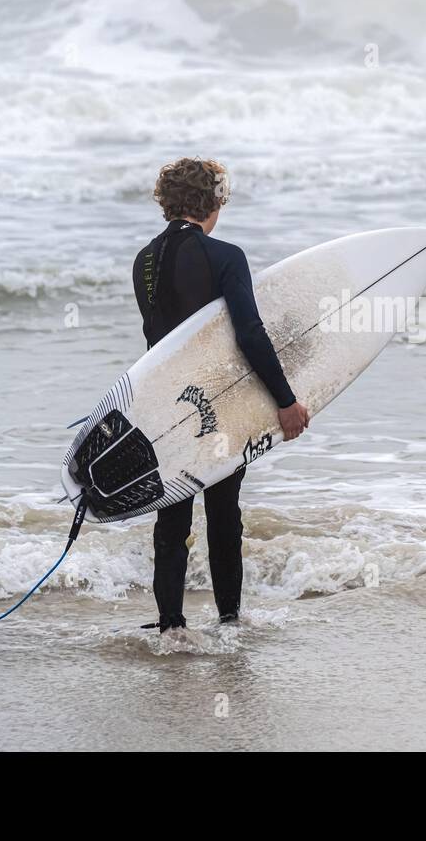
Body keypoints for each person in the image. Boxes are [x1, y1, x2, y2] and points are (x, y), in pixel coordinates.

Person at [132, 157, 309, 632]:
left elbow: (157, 344)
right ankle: (229, 619)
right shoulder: (226, 256)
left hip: (165, 404)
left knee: (172, 518)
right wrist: (285, 400)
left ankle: (170, 625)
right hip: (218, 402)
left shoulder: (143, 261)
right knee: (223, 512)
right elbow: (250, 333)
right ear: (213, 201)